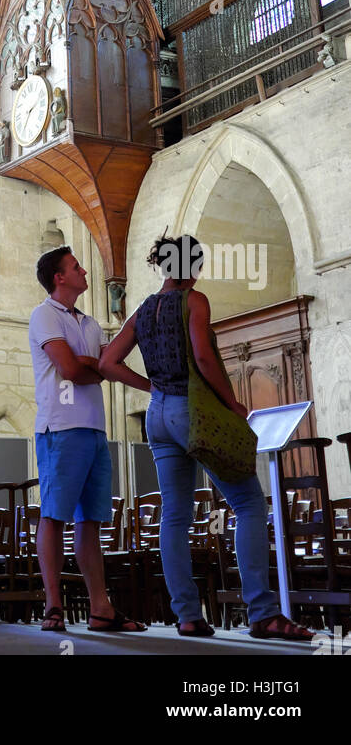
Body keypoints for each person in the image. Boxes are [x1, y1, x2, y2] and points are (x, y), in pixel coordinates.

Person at [99, 234, 314, 641]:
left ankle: (187, 615)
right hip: (193, 410)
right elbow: (201, 356)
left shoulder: (142, 311)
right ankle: (263, 613)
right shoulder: (193, 301)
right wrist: (232, 402)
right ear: (190, 267)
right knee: (249, 503)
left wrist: (150, 389)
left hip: (158, 416)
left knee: (174, 516)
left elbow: (108, 362)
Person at [29, 245, 147, 633]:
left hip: (95, 428)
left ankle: (101, 609)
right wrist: (94, 367)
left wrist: (151, 387)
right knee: (54, 516)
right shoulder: (44, 315)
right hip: (60, 427)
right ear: (59, 277)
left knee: (92, 521)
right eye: (76, 267)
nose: (84, 271)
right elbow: (68, 370)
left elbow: (104, 367)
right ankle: (53, 607)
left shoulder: (91, 323)